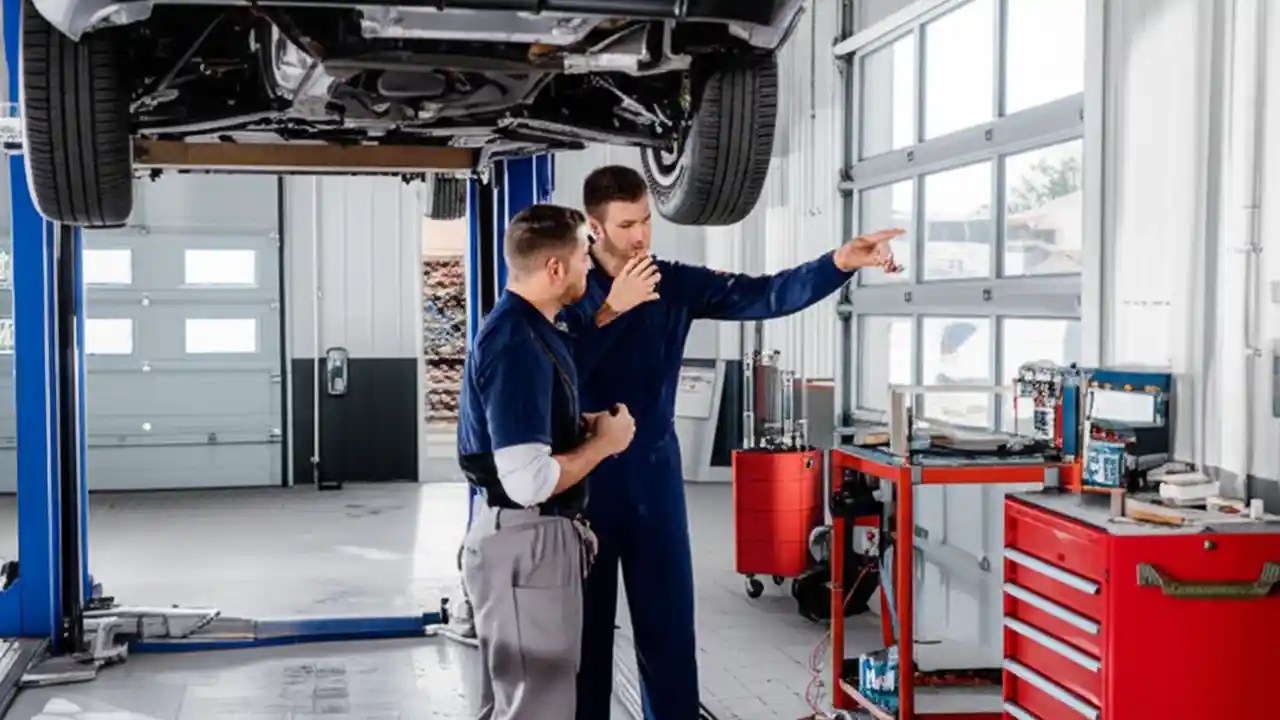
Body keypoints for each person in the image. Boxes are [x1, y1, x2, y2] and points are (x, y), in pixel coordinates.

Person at [566, 165, 904, 719]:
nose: (641, 236)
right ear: (594, 228)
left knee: (670, 631)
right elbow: (556, 371)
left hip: (654, 477)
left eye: (646, 221)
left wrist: (838, 263)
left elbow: (764, 295)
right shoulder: (571, 292)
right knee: (586, 638)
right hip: (584, 481)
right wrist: (610, 311)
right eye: (627, 225)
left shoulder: (668, 282)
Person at [456, 203, 651, 719]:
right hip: (528, 541)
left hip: (526, 541)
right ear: (555, 269)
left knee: (519, 701)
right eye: (585, 258)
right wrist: (606, 444)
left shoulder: (533, 328)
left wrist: (579, 423)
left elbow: (517, 435)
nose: (592, 268)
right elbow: (528, 481)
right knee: (536, 708)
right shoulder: (516, 342)